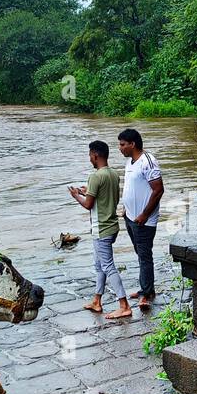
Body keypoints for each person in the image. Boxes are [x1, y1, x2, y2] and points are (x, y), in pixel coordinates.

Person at [68, 140, 132, 320]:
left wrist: (76, 196)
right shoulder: (113, 174)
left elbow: (89, 205)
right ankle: (97, 300)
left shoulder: (95, 176)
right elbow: (107, 196)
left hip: (101, 228)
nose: (89, 158)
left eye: (90, 155)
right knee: (99, 265)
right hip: (112, 226)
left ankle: (124, 305)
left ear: (95, 155)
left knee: (107, 266)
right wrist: (86, 191)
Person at [118, 127, 164, 311]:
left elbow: (158, 189)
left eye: (122, 145)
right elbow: (131, 188)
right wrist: (125, 208)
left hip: (144, 220)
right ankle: (147, 288)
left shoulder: (148, 161)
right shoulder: (130, 162)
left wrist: (144, 215)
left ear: (132, 144)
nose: (120, 148)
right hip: (130, 217)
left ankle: (146, 294)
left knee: (144, 255)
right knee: (140, 253)